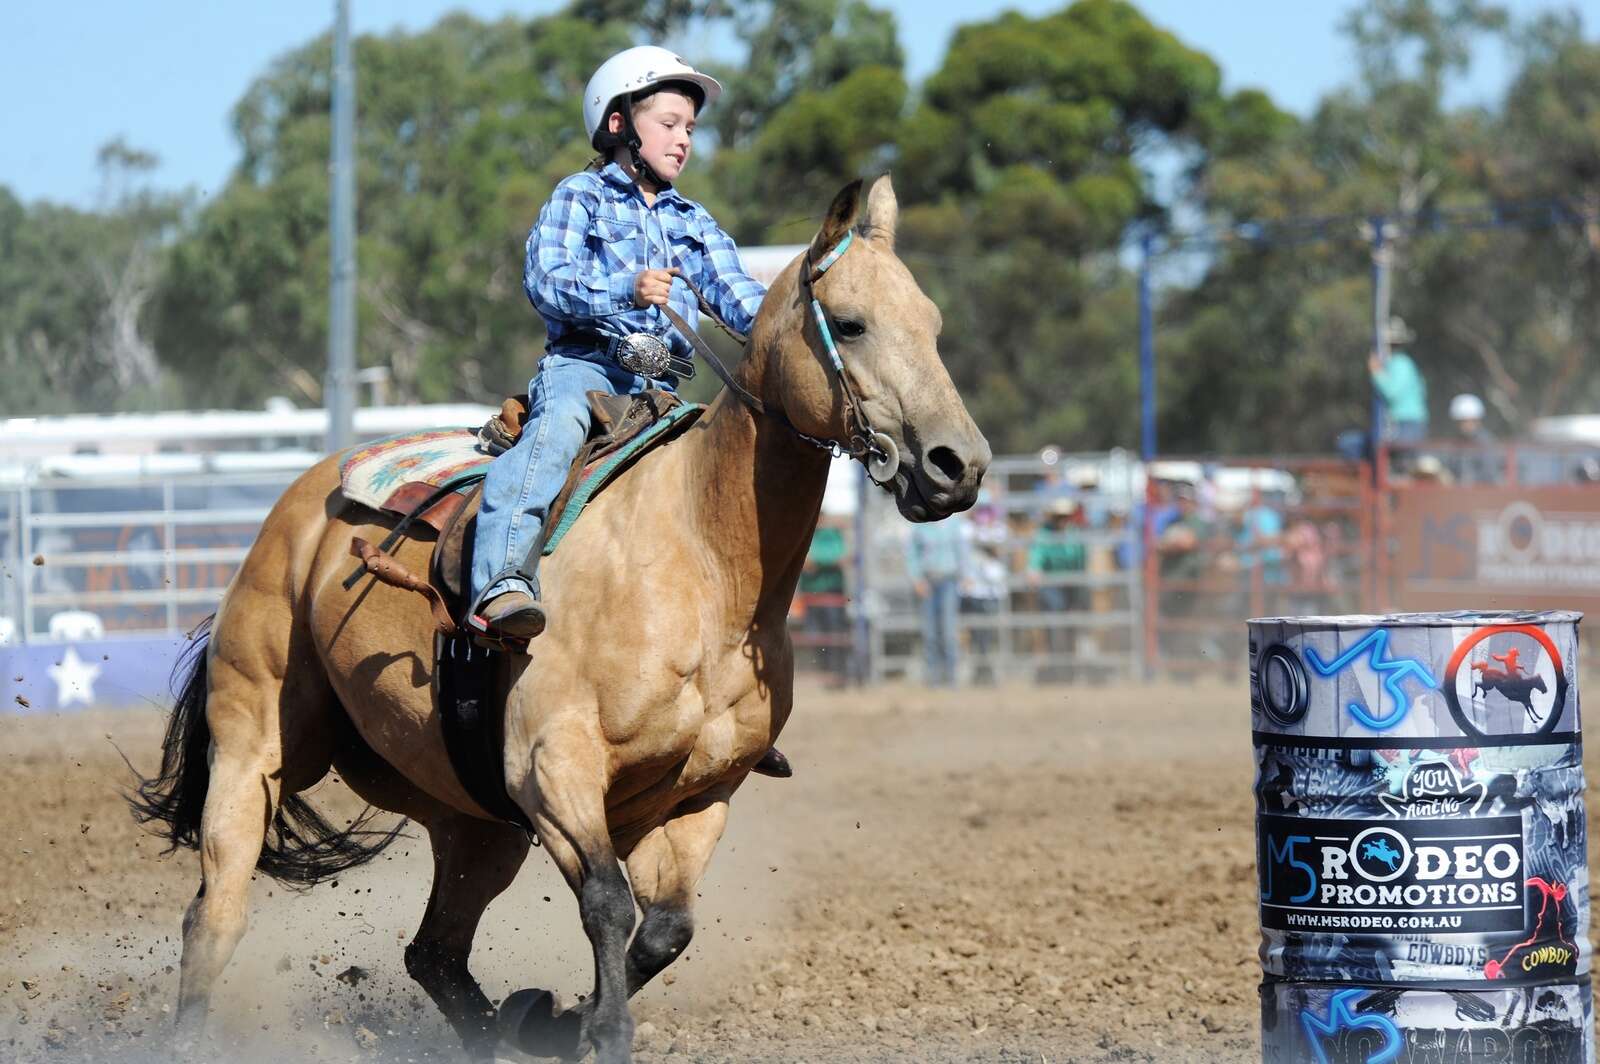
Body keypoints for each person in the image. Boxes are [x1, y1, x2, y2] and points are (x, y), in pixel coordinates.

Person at [469, 46, 767, 640]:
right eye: (668, 124)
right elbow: (546, 281)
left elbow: (740, 299)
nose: (683, 139)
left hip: (661, 392)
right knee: (550, 441)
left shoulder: (695, 221)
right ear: (619, 124)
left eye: (689, 128)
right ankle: (500, 582)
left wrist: (790, 323)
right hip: (585, 372)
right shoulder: (580, 196)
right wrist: (626, 289)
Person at [906, 515, 971, 687]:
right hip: (927, 582)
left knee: (949, 632)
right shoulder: (920, 524)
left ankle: (951, 678)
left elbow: (962, 550)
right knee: (930, 633)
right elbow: (912, 554)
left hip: (949, 580)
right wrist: (917, 579)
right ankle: (933, 679)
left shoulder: (954, 523)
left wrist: (966, 575)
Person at [1367, 316, 1428, 451]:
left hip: (1406, 423)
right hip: (1403, 424)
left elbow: (1392, 392)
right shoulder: (1395, 364)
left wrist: (1376, 373)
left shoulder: (1401, 363)